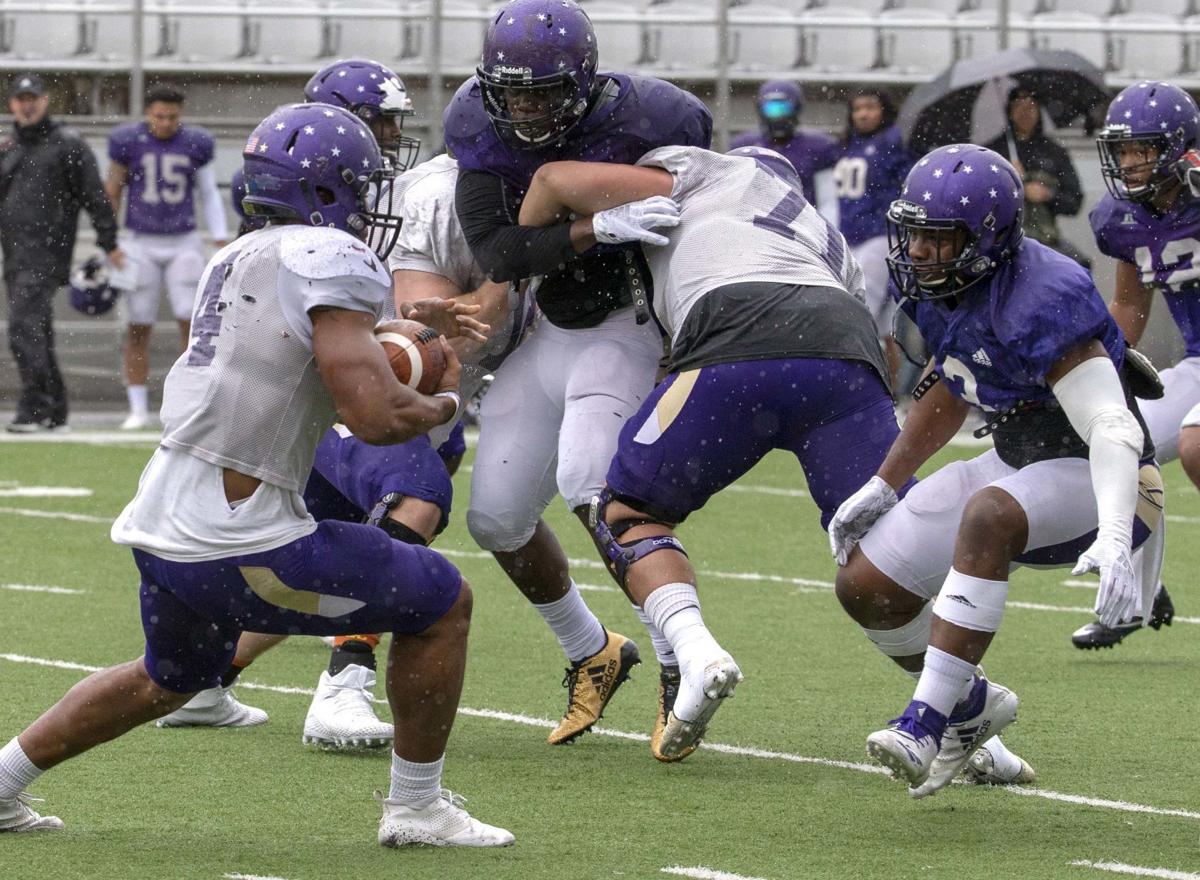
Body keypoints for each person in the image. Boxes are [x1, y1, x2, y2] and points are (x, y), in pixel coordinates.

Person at [0, 102, 513, 848]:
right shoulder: (333, 257)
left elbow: (293, 343)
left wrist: (401, 323)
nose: (371, 202)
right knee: (443, 604)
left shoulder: (240, 253)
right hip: (238, 537)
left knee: (167, 679)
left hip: (163, 519)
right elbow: (369, 414)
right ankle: (416, 806)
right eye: (361, 186)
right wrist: (440, 403)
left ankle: (2, 780)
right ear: (329, 191)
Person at [517, 144, 895, 758]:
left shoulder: (708, 171)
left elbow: (553, 178)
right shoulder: (823, 232)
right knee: (885, 550)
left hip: (737, 330)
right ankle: (955, 704)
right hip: (846, 350)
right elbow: (885, 342)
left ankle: (693, 655)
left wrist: (530, 258)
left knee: (628, 510)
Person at [156, 60, 485, 749]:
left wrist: (407, 327)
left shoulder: (284, 229)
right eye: (380, 123)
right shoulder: (321, 235)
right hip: (331, 399)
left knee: (324, 530)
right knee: (414, 499)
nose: (391, 139)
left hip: (270, 422)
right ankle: (346, 682)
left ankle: (212, 677)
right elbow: (336, 352)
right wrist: (436, 388)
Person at [829, 144, 1164, 798]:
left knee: (988, 514)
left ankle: (924, 723)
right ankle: (974, 708)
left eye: (936, 237)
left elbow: (1113, 427)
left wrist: (1119, 538)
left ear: (984, 238)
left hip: (1110, 480)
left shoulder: (1040, 295)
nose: (918, 251)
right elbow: (950, 386)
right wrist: (883, 482)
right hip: (1017, 460)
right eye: (913, 234)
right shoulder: (935, 286)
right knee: (867, 585)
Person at [445, 0, 712, 746]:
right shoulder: (475, 122)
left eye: (544, 92)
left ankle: (675, 658)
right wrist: (591, 226)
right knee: (495, 517)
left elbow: (700, 203)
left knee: (591, 484)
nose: (527, 108)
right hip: (552, 329)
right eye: (514, 92)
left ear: (584, 84)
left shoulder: (657, 116)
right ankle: (593, 650)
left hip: (627, 322)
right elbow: (500, 252)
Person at [1078, 79, 1200, 649]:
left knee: (1197, 444)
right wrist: (1099, 369)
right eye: (1122, 150)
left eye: (1142, 150)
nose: (1128, 163)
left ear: (1178, 146)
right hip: (1198, 360)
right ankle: (1135, 599)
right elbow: (1129, 304)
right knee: (1122, 441)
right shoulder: (1124, 218)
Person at [1, 72, 122, 433]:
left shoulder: (67, 144)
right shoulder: (10, 148)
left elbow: (94, 195)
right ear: (11, 104)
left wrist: (109, 241)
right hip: (16, 254)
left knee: (25, 328)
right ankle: (54, 408)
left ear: (45, 100)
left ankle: (37, 406)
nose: (27, 104)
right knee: (33, 329)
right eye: (21, 99)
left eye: (32, 97)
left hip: (45, 253)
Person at [106, 85, 229, 430]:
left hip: (183, 240)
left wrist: (220, 239)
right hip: (139, 240)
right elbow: (112, 191)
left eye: (173, 117)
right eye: (159, 116)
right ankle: (138, 407)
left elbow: (208, 193)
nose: (165, 123)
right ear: (147, 113)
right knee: (137, 324)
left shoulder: (195, 143)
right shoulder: (127, 141)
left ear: (181, 114)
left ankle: (184, 404)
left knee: (190, 326)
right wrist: (108, 242)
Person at [834, 88, 912, 390]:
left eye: (870, 107)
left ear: (884, 110)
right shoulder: (844, 145)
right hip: (846, 236)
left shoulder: (894, 141)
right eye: (857, 108)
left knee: (858, 312)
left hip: (880, 235)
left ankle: (864, 389)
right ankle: (890, 394)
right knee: (881, 327)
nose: (863, 114)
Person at [984, 86, 1089, 268]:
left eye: (1031, 106)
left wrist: (1046, 195)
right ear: (1009, 111)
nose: (1025, 112)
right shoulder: (992, 153)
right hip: (1000, 242)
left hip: (1045, 241)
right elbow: (979, 199)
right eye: (1018, 106)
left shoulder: (1055, 152)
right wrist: (1009, 183)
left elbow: (1074, 203)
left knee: (1080, 268)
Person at [730, 80, 839, 210]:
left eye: (783, 109)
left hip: (804, 225)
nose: (778, 116)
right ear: (760, 109)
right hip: (758, 223)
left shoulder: (818, 147)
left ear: (796, 108)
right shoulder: (745, 146)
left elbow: (827, 200)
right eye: (772, 109)